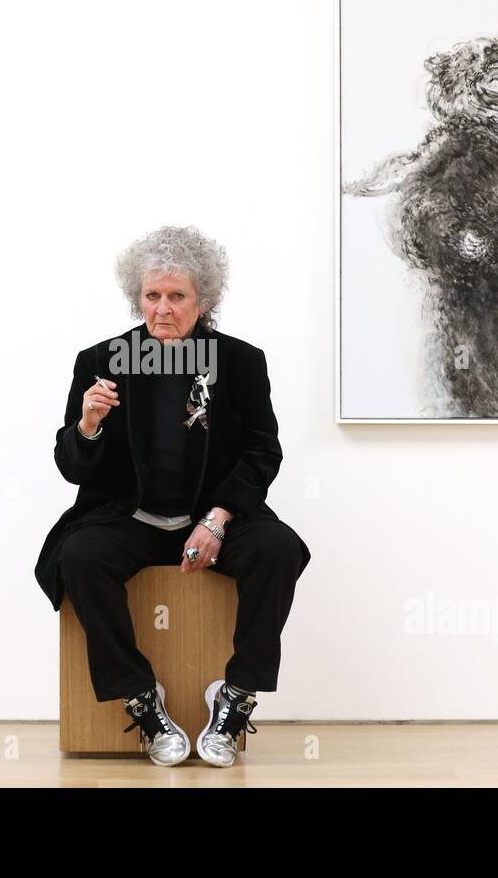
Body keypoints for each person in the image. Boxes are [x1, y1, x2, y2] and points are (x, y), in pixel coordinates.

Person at [33, 225, 312, 767]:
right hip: (128, 518)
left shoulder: (240, 362)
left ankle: (235, 696)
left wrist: (217, 519)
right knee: (80, 556)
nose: (163, 309)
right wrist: (88, 423)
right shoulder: (102, 361)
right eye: (152, 296)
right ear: (136, 298)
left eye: (177, 296)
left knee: (279, 549)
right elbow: (72, 467)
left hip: (212, 518)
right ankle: (141, 697)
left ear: (203, 300)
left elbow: (263, 452)